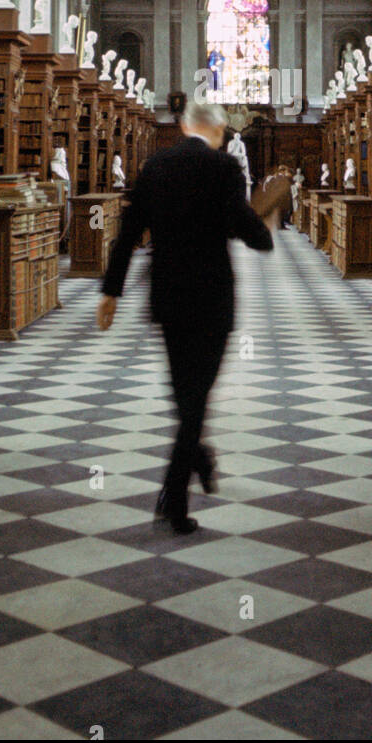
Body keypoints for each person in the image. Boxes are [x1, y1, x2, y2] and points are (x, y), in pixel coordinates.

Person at [97, 100, 273, 534]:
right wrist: (263, 228)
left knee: (184, 395)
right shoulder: (224, 169)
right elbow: (247, 228)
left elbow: (129, 230)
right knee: (196, 397)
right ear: (217, 132)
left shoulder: (156, 165)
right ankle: (177, 491)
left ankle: (193, 464)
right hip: (213, 297)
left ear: (182, 126)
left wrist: (111, 291)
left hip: (169, 296)